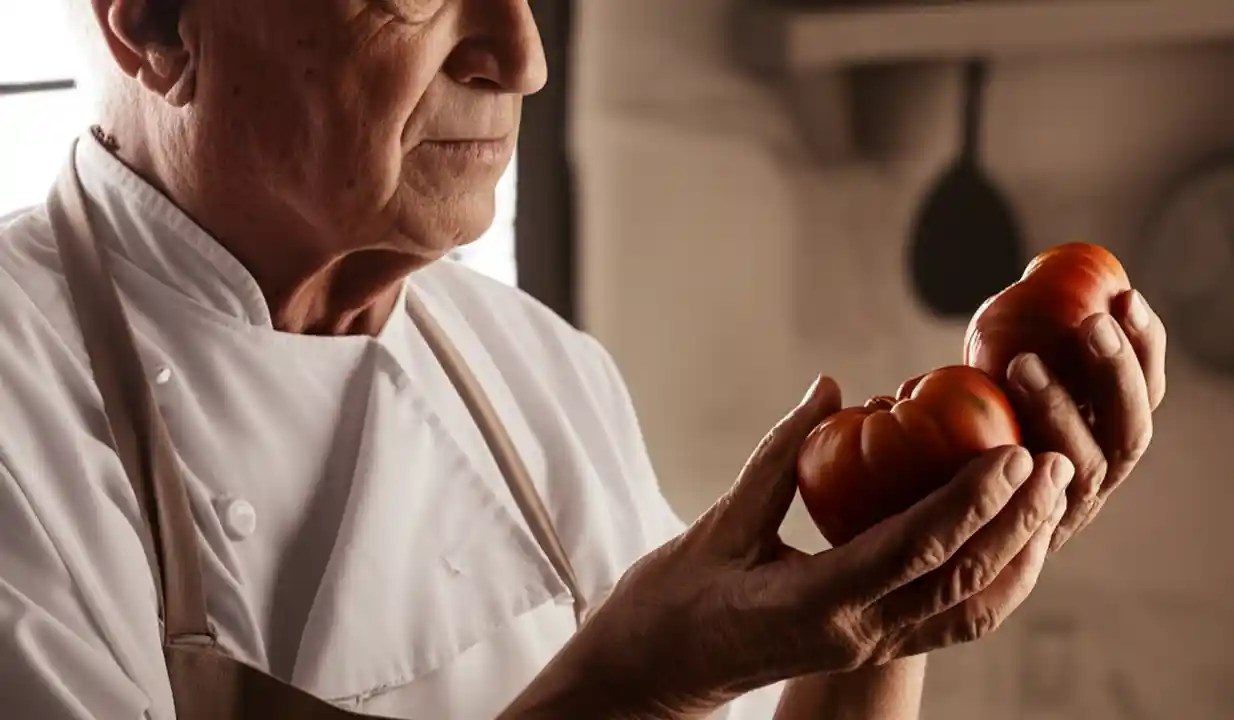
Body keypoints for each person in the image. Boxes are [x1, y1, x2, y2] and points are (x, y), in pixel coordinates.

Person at [0, 0, 1166, 718]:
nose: (522, 56)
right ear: (153, 24)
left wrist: (886, 607)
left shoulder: (534, 368)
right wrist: (634, 695)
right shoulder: (20, 409)